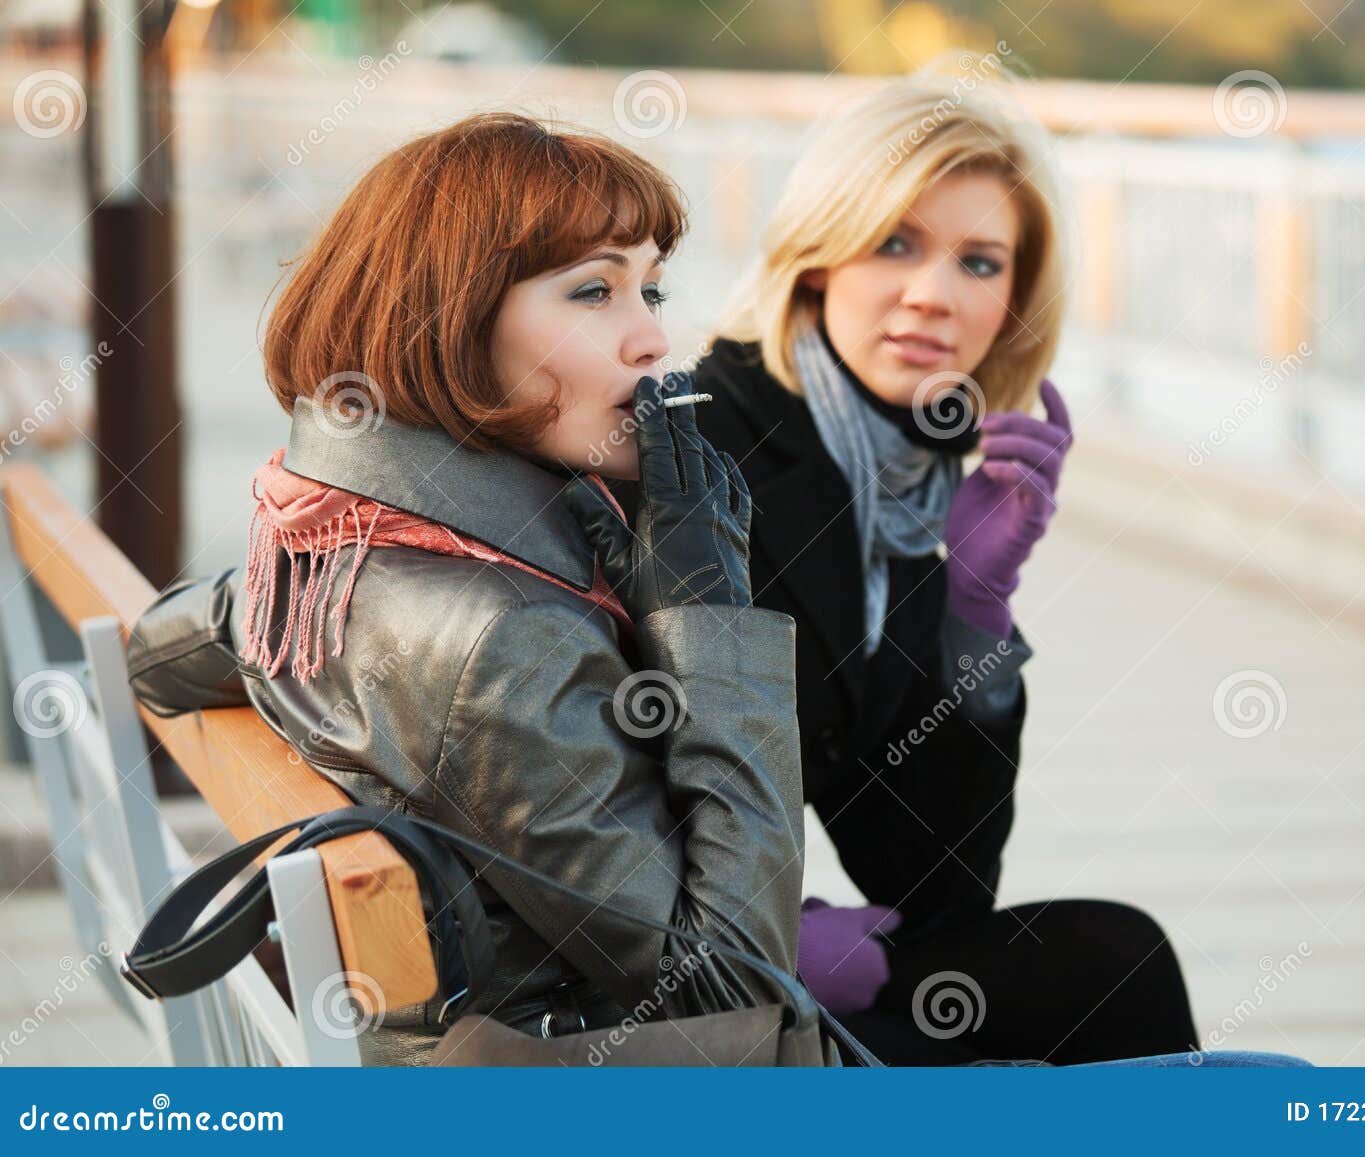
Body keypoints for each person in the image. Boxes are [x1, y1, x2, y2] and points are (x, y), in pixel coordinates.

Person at [123, 113, 807, 1066]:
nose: (653, 339)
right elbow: (739, 993)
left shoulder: (338, 543)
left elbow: (154, 652)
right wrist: (711, 620)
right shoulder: (502, 634)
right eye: (593, 291)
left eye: (650, 287)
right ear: (448, 320)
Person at [685, 75, 1201, 1065]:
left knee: (1108, 958)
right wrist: (775, 934)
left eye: (978, 260)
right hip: (659, 1004)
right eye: (895, 242)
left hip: (751, 970)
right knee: (1111, 974)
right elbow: (584, 778)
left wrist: (975, 613)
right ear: (818, 255)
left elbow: (936, 893)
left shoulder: (897, 503)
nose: (933, 292)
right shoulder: (708, 450)